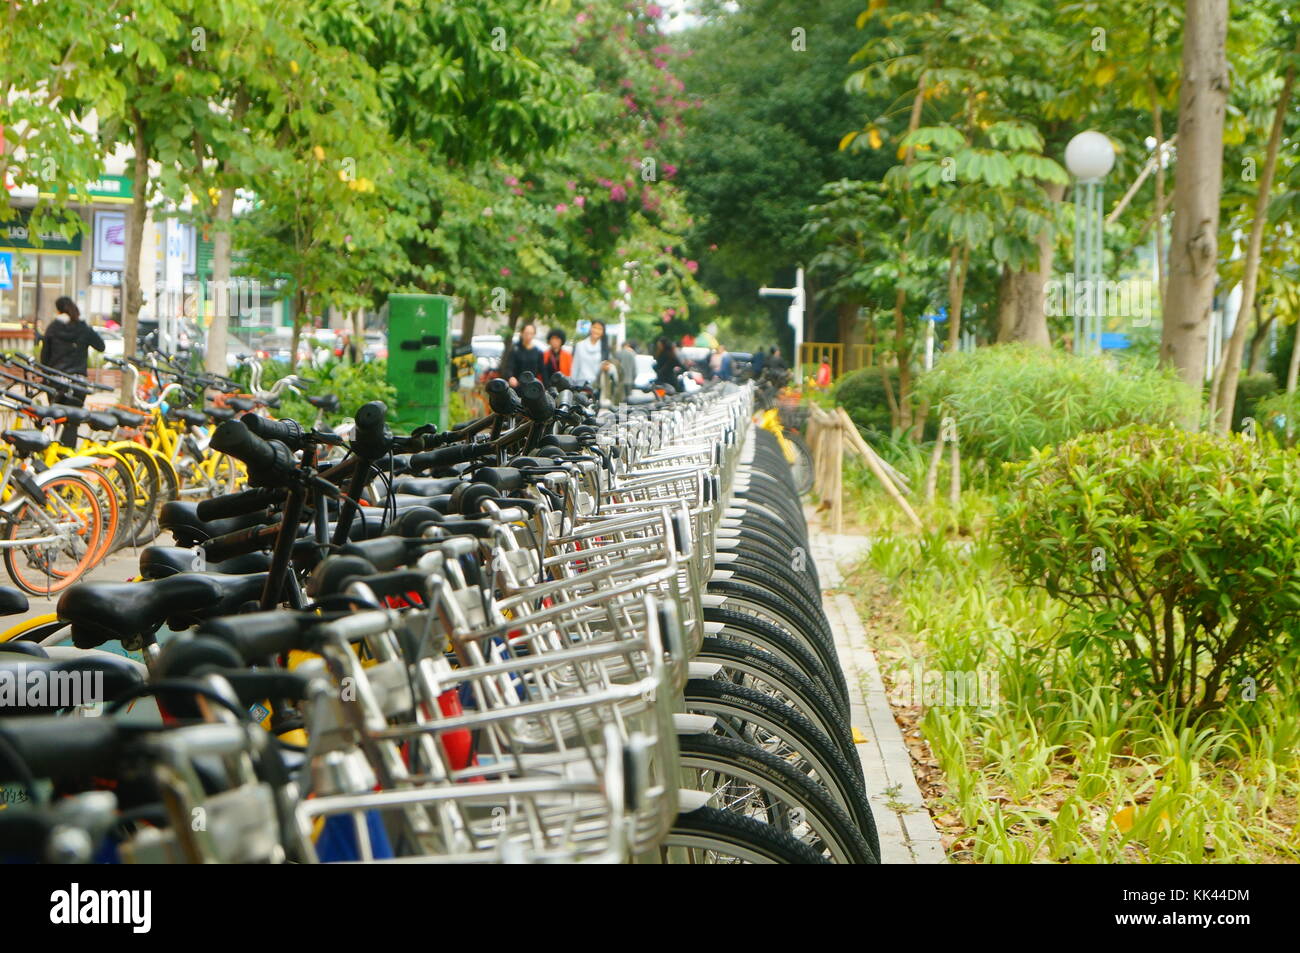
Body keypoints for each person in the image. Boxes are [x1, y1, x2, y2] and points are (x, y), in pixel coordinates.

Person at [39, 296, 105, 446]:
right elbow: (101, 346)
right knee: (71, 424)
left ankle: (50, 454)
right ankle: (66, 460)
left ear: (58, 310)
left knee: (53, 420)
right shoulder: (83, 328)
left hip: (56, 383)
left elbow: (44, 358)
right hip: (77, 384)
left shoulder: (53, 328)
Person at [499, 323, 544, 387]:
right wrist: (511, 377)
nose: (528, 336)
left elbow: (542, 371)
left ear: (534, 335)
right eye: (526, 333)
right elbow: (509, 367)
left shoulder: (538, 352)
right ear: (522, 333)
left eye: (531, 333)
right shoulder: (515, 350)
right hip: (517, 385)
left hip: (533, 388)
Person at [570, 320, 613, 387]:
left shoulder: (605, 348)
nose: (596, 331)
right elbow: (575, 366)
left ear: (603, 332)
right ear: (590, 328)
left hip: (598, 386)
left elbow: (610, 369)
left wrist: (607, 368)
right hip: (580, 385)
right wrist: (572, 384)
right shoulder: (580, 345)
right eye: (594, 327)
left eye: (599, 329)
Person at [615, 338, 639, 404]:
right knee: (629, 399)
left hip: (621, 381)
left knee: (622, 400)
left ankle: (622, 413)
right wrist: (633, 379)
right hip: (630, 381)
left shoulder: (618, 354)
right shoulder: (633, 354)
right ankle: (629, 412)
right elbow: (634, 369)